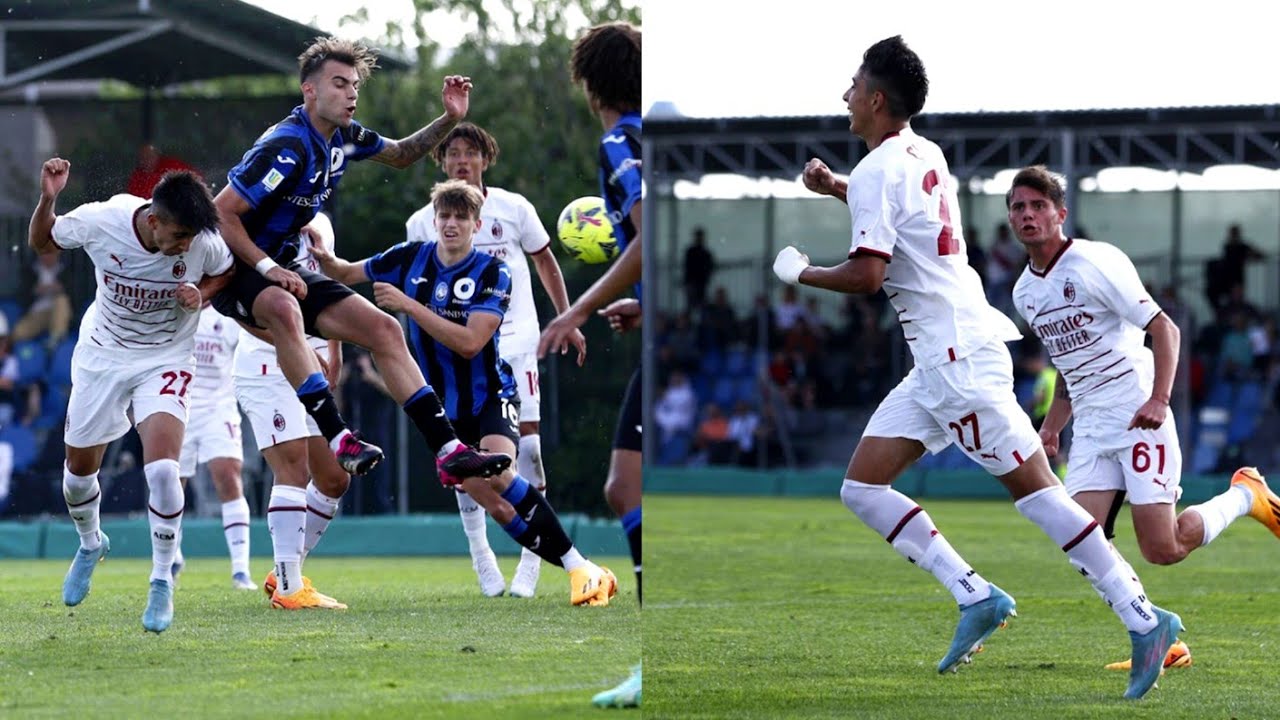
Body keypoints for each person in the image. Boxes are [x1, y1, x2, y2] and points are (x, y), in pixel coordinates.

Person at [769, 36, 1181, 700]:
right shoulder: (920, 152)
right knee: (861, 489)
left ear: (875, 99)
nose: (844, 95)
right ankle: (975, 595)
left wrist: (802, 273)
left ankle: (1145, 620)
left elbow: (871, 274)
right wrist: (838, 188)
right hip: (939, 361)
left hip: (957, 361)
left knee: (1041, 495)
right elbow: (905, 228)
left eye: (852, 85)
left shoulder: (880, 168)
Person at [209, 36, 510, 501]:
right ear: (309, 90)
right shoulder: (286, 145)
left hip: (282, 268)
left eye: (354, 85)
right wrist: (268, 267)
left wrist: (450, 118)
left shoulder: (344, 138)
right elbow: (222, 213)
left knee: (386, 329)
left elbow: (404, 153)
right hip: (237, 269)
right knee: (286, 309)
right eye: (339, 83)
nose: (351, 94)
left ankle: (449, 449)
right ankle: (338, 436)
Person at [1007, 164, 1280, 668]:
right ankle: (1156, 636)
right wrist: (1051, 427)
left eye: (1038, 206)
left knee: (1165, 547)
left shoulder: (1095, 262)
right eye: (1019, 207)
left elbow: (1165, 329)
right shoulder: (1025, 291)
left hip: (1137, 414)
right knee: (1082, 543)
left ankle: (1246, 496)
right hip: (1089, 428)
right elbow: (1069, 365)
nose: (1027, 215)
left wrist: (1159, 399)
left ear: (1060, 214)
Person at [310, 179, 618, 607]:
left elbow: (471, 343)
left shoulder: (494, 272)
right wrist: (318, 252)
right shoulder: (408, 258)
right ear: (434, 220)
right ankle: (522, 564)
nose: (451, 224)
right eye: (445, 216)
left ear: (477, 225)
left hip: (490, 395)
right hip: (443, 412)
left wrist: (409, 306)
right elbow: (344, 273)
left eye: (461, 217)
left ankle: (579, 568)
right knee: (496, 506)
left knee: (504, 478)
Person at [29, 157, 234, 633]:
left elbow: (225, 272)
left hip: (166, 357)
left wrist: (202, 294)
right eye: (177, 236)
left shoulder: (203, 240)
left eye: (190, 239)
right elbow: (42, 241)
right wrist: (48, 199)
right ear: (154, 219)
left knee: (163, 472)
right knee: (78, 477)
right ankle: (90, 543)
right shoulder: (105, 220)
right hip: (103, 355)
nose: (184, 246)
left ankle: (162, 581)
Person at [405, 121, 586, 599]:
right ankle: (482, 557)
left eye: (471, 152)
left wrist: (567, 318)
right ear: (441, 163)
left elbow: (545, 261)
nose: (462, 160)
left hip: (513, 344)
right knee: (462, 458)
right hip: (455, 358)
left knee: (528, 452)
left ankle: (532, 563)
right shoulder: (422, 222)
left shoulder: (513, 208)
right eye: (453, 153)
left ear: (486, 159)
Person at [536, 20, 642, 710]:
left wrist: (575, 310)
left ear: (588, 81)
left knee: (625, 490)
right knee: (624, 489)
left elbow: (649, 226)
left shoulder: (619, 140)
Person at [241, 211, 354, 610]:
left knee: (335, 477)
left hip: (310, 362)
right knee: (292, 466)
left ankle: (282, 570)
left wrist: (333, 349)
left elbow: (330, 287)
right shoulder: (249, 224)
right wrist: (301, 347)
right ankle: (290, 589)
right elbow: (240, 310)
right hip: (265, 363)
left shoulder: (320, 221)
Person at [176, 305, 254, 590]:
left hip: (219, 407)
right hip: (177, 404)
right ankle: (172, 556)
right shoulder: (175, 303)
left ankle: (240, 570)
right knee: (169, 484)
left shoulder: (228, 310)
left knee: (228, 475)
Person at [12, 250, 72, 349]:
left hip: (59, 312)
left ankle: (56, 340)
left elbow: (76, 295)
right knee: (17, 333)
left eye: (50, 253)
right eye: (44, 254)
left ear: (57, 254)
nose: (47, 257)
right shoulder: (30, 271)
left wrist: (61, 289)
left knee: (61, 300)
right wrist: (35, 291)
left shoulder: (67, 271)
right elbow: (22, 296)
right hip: (38, 313)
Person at [127, 142, 199, 199]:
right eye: (143, 157)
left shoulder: (172, 166)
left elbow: (195, 178)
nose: (147, 160)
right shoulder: (137, 178)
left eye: (150, 156)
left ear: (157, 155)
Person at [683, 227, 714, 311]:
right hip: (695, 283)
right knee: (696, 304)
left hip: (698, 283)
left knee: (697, 304)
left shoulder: (695, 252)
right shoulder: (703, 252)